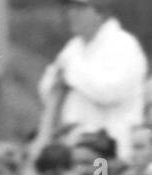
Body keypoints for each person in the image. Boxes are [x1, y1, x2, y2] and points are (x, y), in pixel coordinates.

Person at [38, 0, 147, 158]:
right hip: (73, 149)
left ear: (100, 13)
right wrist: (60, 79)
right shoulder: (73, 47)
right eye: (70, 7)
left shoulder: (124, 45)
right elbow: (47, 91)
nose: (72, 13)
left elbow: (110, 91)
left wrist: (71, 72)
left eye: (80, 8)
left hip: (107, 151)